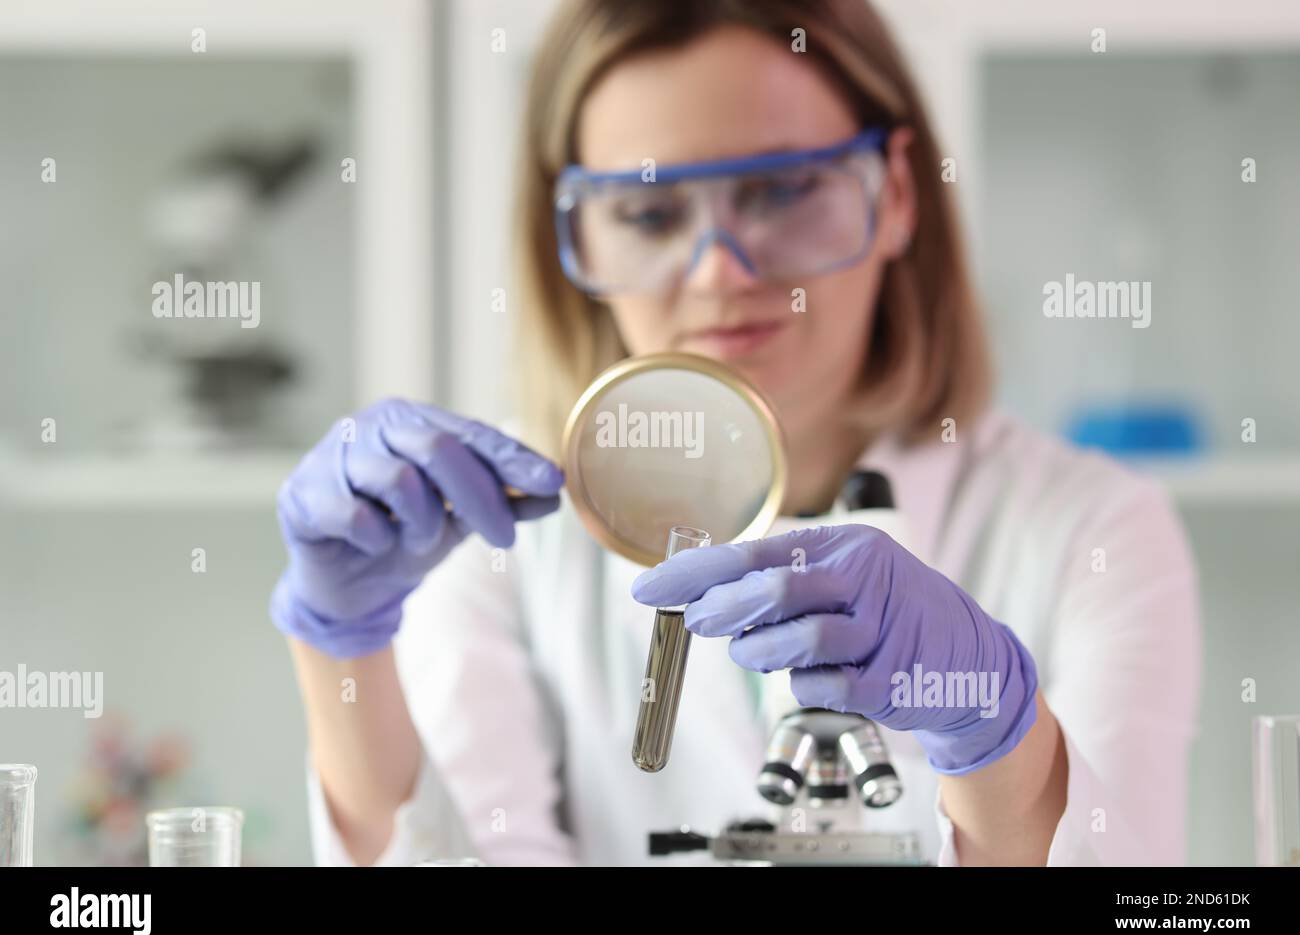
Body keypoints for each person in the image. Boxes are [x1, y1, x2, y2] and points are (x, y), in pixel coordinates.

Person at [269, 0, 1200, 866]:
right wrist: (339, 645)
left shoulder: (1093, 530)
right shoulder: (498, 538)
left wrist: (1001, 738)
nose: (720, 273)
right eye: (646, 211)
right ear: (578, 241)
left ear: (898, 192)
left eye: (783, 189)